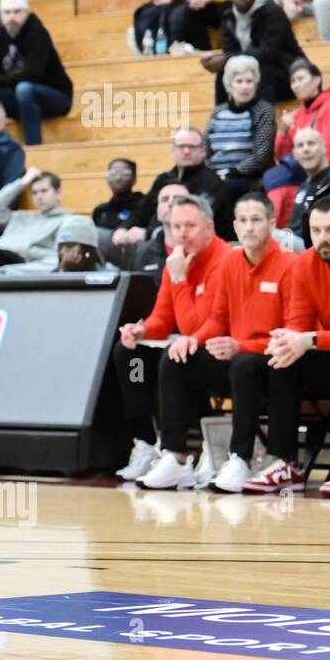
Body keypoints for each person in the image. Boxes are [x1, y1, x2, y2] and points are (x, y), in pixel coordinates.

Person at [144, 192, 296, 491]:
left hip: (272, 362)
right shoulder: (231, 263)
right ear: (235, 225)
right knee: (175, 359)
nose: (249, 228)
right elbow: (217, 319)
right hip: (235, 357)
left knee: (242, 364)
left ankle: (240, 458)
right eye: (243, 221)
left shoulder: (290, 265)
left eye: (256, 220)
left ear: (272, 223)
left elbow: (290, 332)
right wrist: (194, 339)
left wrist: (242, 346)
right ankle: (174, 455)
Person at [113, 194, 231, 481]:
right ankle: (144, 441)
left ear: (209, 227)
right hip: (188, 349)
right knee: (129, 354)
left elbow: (199, 326)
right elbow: (163, 318)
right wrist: (142, 330)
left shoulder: (224, 259)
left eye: (190, 226)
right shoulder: (176, 260)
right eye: (176, 227)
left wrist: (179, 279)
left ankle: (175, 455)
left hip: (220, 353)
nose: (182, 234)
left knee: (175, 357)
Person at [261, 196, 330, 496]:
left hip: (326, 345)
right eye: (316, 230)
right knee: (284, 360)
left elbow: (311, 336)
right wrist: (288, 338)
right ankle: (286, 463)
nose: (323, 238)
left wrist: (311, 340)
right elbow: (299, 321)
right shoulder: (305, 263)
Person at [0, 0, 73, 147]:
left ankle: (33, 148)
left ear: (27, 13)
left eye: (17, 12)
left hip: (55, 96)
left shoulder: (38, 33)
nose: (11, 18)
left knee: (24, 89)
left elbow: (33, 75)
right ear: (0, 14)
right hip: (19, 98)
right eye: (7, 13)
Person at [203, 0, 306, 104]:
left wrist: (227, 59)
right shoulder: (228, 16)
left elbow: (267, 53)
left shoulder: (273, 13)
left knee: (260, 73)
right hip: (256, 72)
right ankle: (222, 119)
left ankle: (264, 123)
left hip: (289, 74)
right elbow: (229, 51)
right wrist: (220, 60)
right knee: (224, 74)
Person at [115, 127, 231, 244]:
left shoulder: (213, 183)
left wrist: (148, 234)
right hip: (152, 243)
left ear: (203, 151)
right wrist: (123, 228)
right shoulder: (164, 179)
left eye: (192, 147)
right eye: (181, 146)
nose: (186, 151)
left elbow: (194, 223)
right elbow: (142, 210)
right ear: (173, 150)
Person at [0, 168, 72, 269]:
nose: (39, 197)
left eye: (44, 191)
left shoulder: (67, 221)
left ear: (58, 192)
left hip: (19, 261)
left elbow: (57, 256)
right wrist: (22, 183)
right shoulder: (22, 217)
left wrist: (28, 250)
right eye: (34, 193)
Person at [268, 59, 330, 217]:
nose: (296, 85)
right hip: (306, 170)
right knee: (271, 177)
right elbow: (282, 155)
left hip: (328, 172)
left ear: (317, 80)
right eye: (293, 81)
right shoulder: (299, 114)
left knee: (274, 178)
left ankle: (284, 234)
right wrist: (283, 131)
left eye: (300, 79)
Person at [204, 55, 278, 200]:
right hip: (216, 175)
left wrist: (230, 173)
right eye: (239, 81)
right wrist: (210, 173)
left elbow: (261, 156)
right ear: (229, 85)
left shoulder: (263, 110)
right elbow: (204, 150)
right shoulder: (218, 112)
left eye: (249, 81)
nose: (245, 86)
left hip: (247, 178)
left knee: (218, 192)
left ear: (256, 85)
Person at [123, 182, 191, 281]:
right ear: (158, 212)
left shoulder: (204, 251)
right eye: (164, 200)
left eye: (178, 199)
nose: (170, 203)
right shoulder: (141, 254)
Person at [286, 128, 330, 244]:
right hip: (294, 249)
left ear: (324, 147)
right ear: (295, 154)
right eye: (300, 145)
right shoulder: (303, 187)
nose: (306, 149)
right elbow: (292, 228)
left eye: (311, 143)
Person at [93, 158, 146, 234]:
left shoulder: (144, 206)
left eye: (125, 174)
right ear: (108, 179)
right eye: (113, 174)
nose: (118, 178)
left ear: (134, 179)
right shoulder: (100, 210)